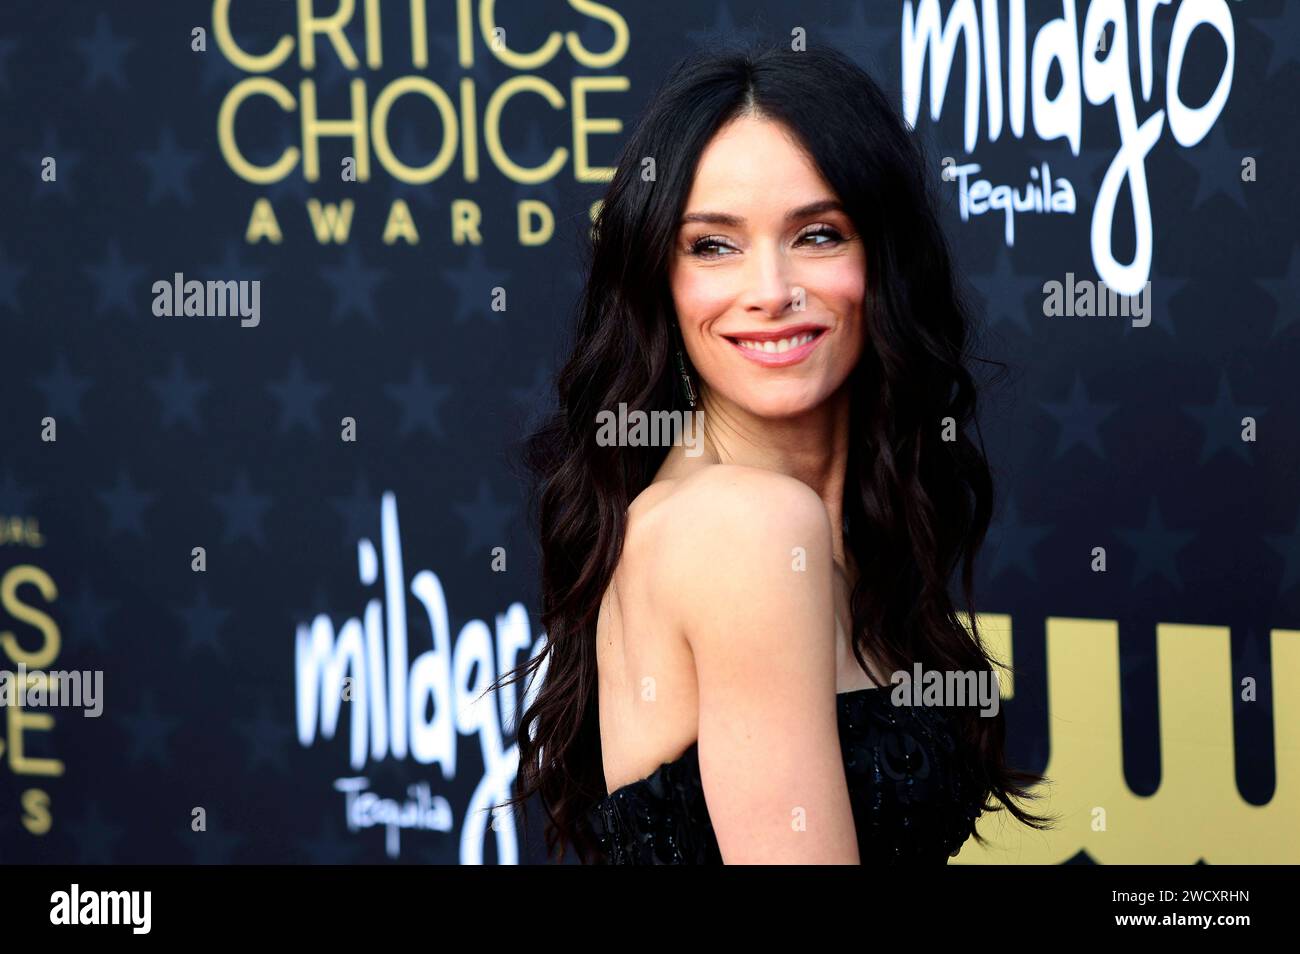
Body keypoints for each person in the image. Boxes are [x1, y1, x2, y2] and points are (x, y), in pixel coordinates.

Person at [491, 41, 1052, 864]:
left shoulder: (843, 524)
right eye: (713, 246)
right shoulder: (747, 529)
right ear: (660, 283)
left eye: (818, 234)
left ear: (881, 259)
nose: (769, 289)